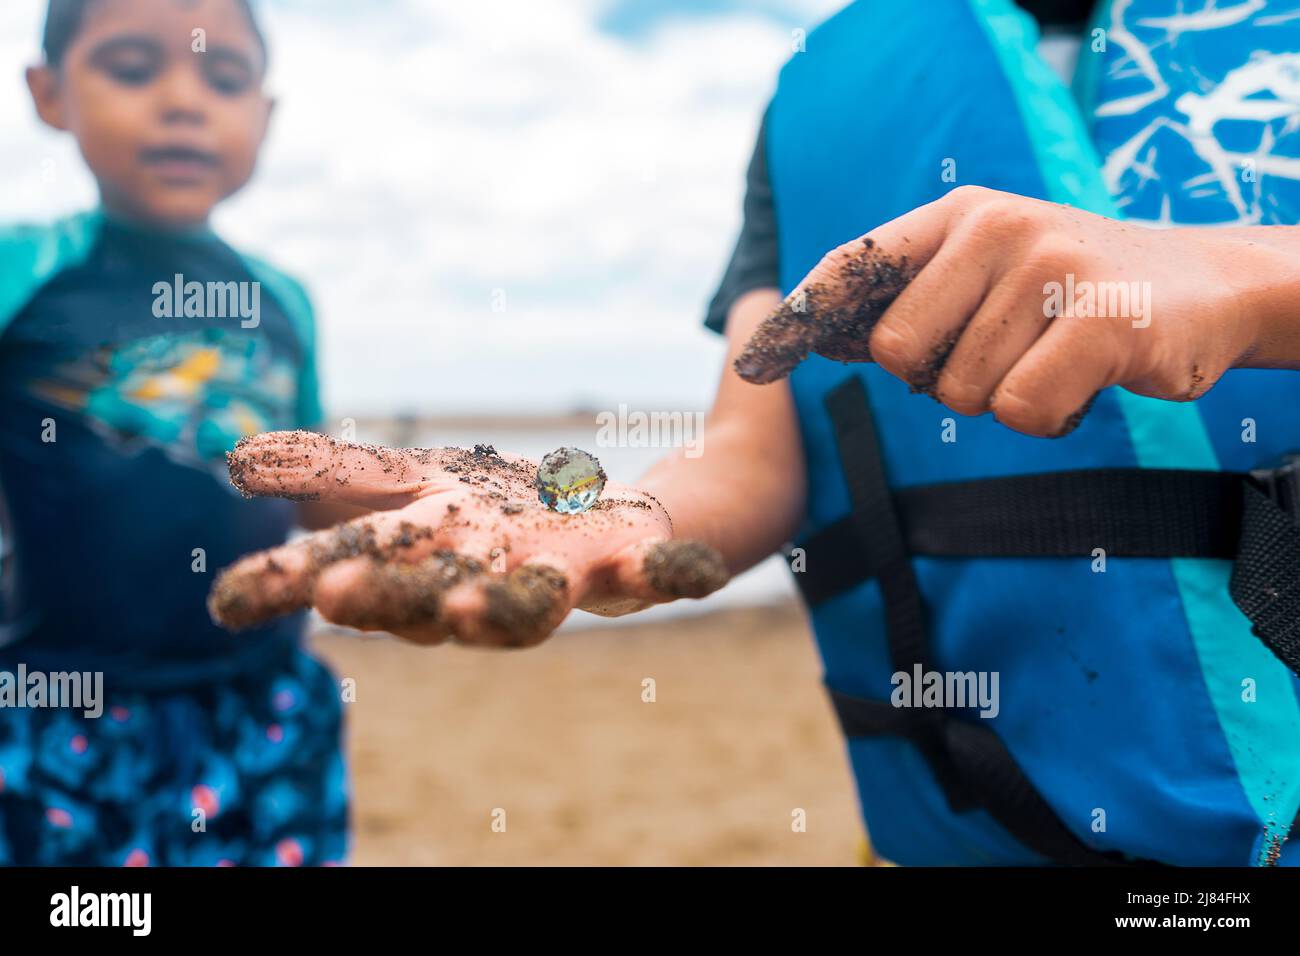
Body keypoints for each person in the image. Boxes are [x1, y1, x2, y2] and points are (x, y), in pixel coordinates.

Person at [212, 0, 1300, 866]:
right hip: (983, 807)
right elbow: (751, 444)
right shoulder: (820, 101)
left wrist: (1246, 283)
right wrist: (622, 518)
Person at [0, 0, 351, 865]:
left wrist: (443, 507)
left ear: (264, 116)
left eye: (224, 78)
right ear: (49, 94)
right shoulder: (25, 270)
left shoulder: (282, 301)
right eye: (131, 67)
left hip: (267, 701)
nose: (183, 101)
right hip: (62, 702)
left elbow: (311, 488)